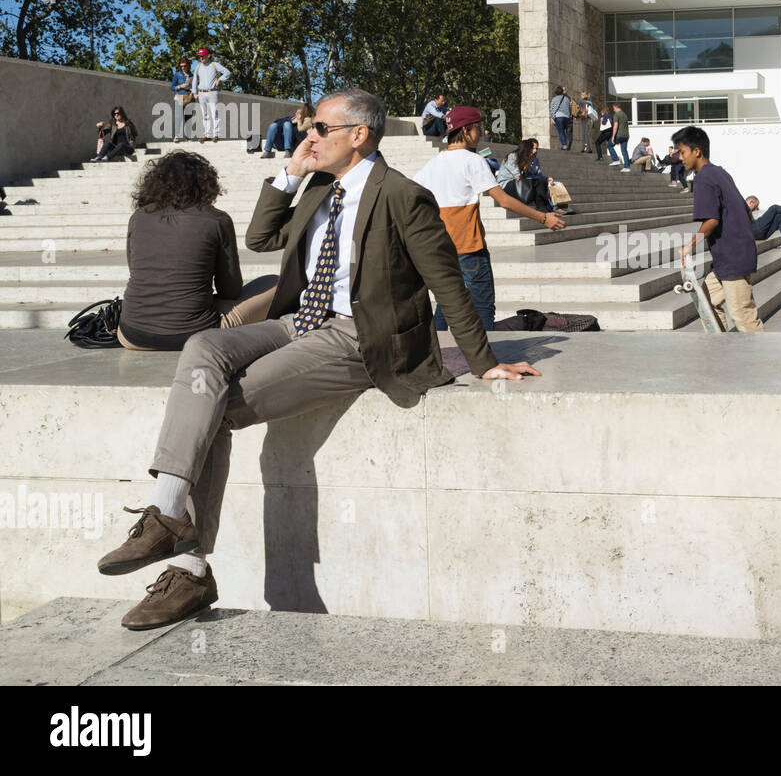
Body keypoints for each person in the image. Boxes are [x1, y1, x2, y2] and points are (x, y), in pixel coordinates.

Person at [95, 88, 544, 630]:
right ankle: (169, 517)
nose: (309, 135)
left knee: (215, 407)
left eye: (321, 129)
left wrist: (482, 360)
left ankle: (188, 569)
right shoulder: (317, 187)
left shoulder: (404, 195)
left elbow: (446, 281)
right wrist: (289, 173)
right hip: (297, 320)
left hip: (358, 336)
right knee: (203, 348)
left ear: (359, 136)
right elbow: (261, 238)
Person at [413, 109, 565, 331]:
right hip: (469, 246)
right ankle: (490, 358)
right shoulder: (472, 161)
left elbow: (413, 197)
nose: (481, 133)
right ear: (465, 130)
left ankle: (440, 354)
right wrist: (543, 218)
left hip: (441, 248)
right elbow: (503, 200)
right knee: (483, 306)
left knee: (446, 305)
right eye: (477, 127)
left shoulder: (434, 163)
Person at [117, 152, 278, 350]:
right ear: (206, 183)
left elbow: (136, 271)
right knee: (275, 282)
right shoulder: (217, 220)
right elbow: (231, 290)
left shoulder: (138, 217)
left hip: (131, 335)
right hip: (195, 334)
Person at [675, 126, 763, 332]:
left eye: (682, 152)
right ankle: (721, 351)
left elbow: (712, 220)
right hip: (731, 256)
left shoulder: (703, 178)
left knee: (743, 315)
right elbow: (746, 211)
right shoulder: (720, 172)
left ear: (697, 151)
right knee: (708, 303)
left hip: (733, 258)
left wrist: (689, 246)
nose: (680, 157)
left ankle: (766, 363)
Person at [496, 137, 563, 214]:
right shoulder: (512, 156)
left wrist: (546, 179)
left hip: (519, 184)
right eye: (532, 149)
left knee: (541, 182)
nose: (534, 151)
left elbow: (531, 175)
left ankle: (543, 207)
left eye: (536, 149)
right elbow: (518, 175)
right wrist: (526, 165)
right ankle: (544, 207)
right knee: (536, 182)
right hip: (506, 185)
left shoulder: (531, 159)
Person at [192, 48, 230, 143]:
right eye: (200, 56)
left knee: (214, 113)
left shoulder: (214, 65)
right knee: (204, 114)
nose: (201, 58)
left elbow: (227, 72)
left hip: (212, 92)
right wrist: (194, 92)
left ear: (208, 55)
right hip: (201, 93)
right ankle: (207, 134)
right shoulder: (198, 67)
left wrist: (220, 79)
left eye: (203, 56)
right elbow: (195, 80)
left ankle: (216, 134)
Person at [171, 59, 193, 143]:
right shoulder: (177, 75)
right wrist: (180, 86)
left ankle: (188, 137)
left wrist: (191, 86)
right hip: (179, 97)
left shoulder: (192, 75)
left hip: (189, 97)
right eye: (181, 66)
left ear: (188, 65)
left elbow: (195, 87)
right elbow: (172, 87)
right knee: (178, 117)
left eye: (185, 66)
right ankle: (176, 136)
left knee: (188, 117)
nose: (183, 68)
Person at [549, 86, 574, 151]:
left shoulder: (554, 99)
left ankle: (564, 146)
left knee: (561, 132)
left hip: (558, 117)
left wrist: (552, 117)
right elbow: (570, 108)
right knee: (566, 131)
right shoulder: (567, 99)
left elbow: (552, 109)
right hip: (567, 117)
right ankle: (566, 144)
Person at [610, 102, 631, 169]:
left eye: (613, 108)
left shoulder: (616, 115)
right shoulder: (624, 115)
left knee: (609, 145)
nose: (613, 110)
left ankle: (616, 160)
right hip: (626, 136)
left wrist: (613, 136)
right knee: (624, 151)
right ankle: (627, 167)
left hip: (619, 135)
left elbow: (615, 126)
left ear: (616, 107)